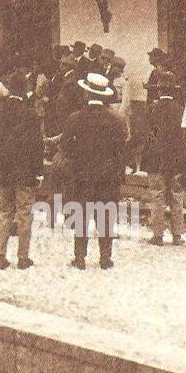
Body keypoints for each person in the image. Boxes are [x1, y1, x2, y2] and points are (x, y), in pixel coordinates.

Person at [59, 72, 126, 269]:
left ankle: (80, 258)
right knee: (105, 217)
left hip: (81, 175)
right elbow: (121, 150)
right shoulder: (116, 119)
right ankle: (105, 258)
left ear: (87, 94)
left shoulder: (75, 118)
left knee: (81, 215)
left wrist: (76, 159)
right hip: (108, 176)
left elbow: (65, 146)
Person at [0, 76, 42, 270]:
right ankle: (23, 257)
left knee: (3, 214)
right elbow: (37, 146)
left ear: (8, 89)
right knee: (24, 214)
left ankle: (0, 255)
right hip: (25, 172)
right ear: (25, 91)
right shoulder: (31, 115)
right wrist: (38, 172)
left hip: (2, 171)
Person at [143, 73, 186, 246]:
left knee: (157, 196)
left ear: (159, 89)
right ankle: (177, 235)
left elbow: (148, 135)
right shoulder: (181, 110)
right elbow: (184, 137)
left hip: (156, 159)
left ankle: (157, 234)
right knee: (177, 197)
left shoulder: (151, 109)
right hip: (176, 160)